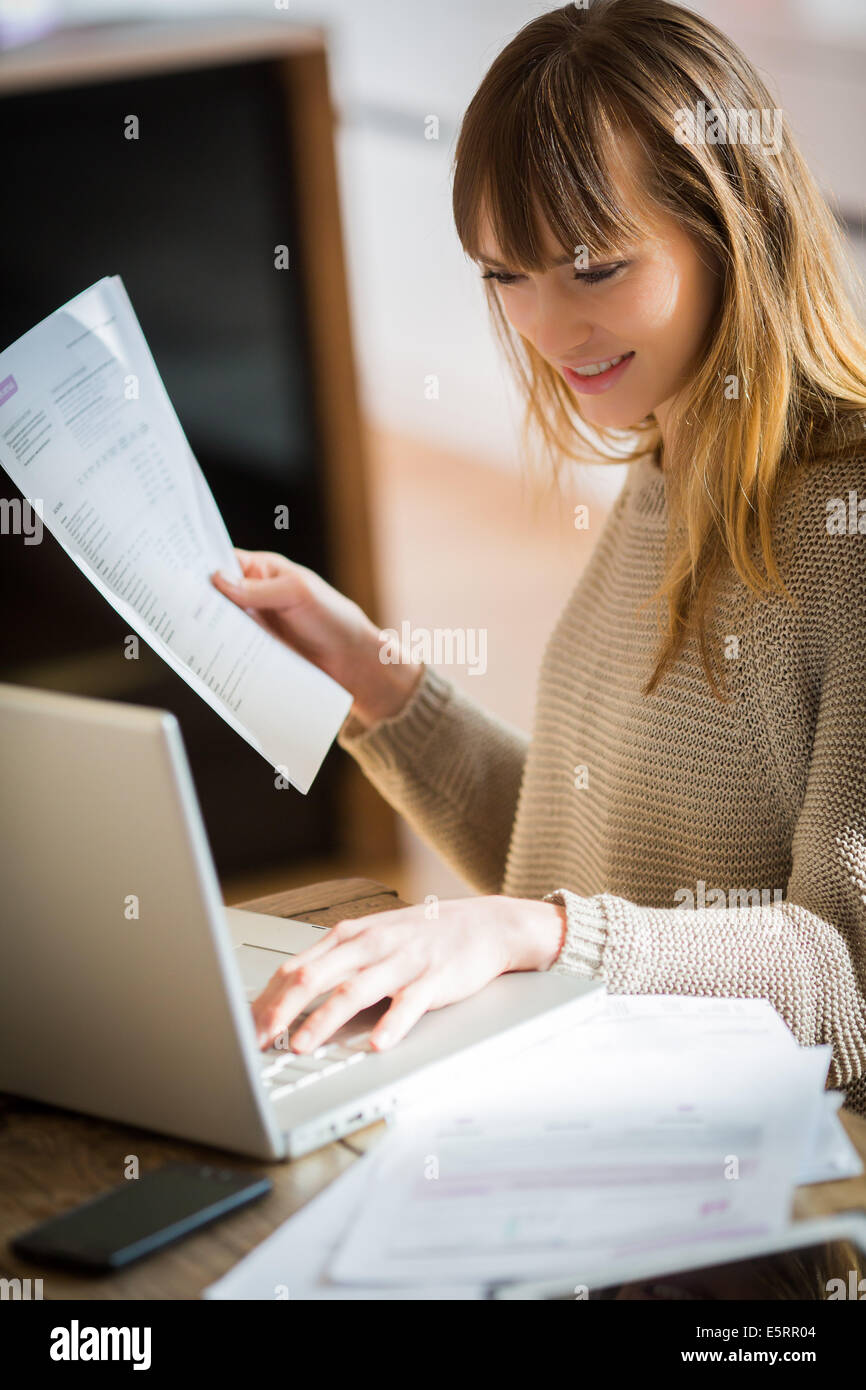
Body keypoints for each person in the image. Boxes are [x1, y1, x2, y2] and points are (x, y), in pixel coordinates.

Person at [212, 0, 866, 1116]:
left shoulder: (842, 523)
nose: (547, 329)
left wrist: (537, 933)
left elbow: (841, 983)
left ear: (731, 223)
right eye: (503, 275)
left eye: (594, 268)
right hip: (596, 1124)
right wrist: (377, 684)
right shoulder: (669, 454)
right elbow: (596, 859)